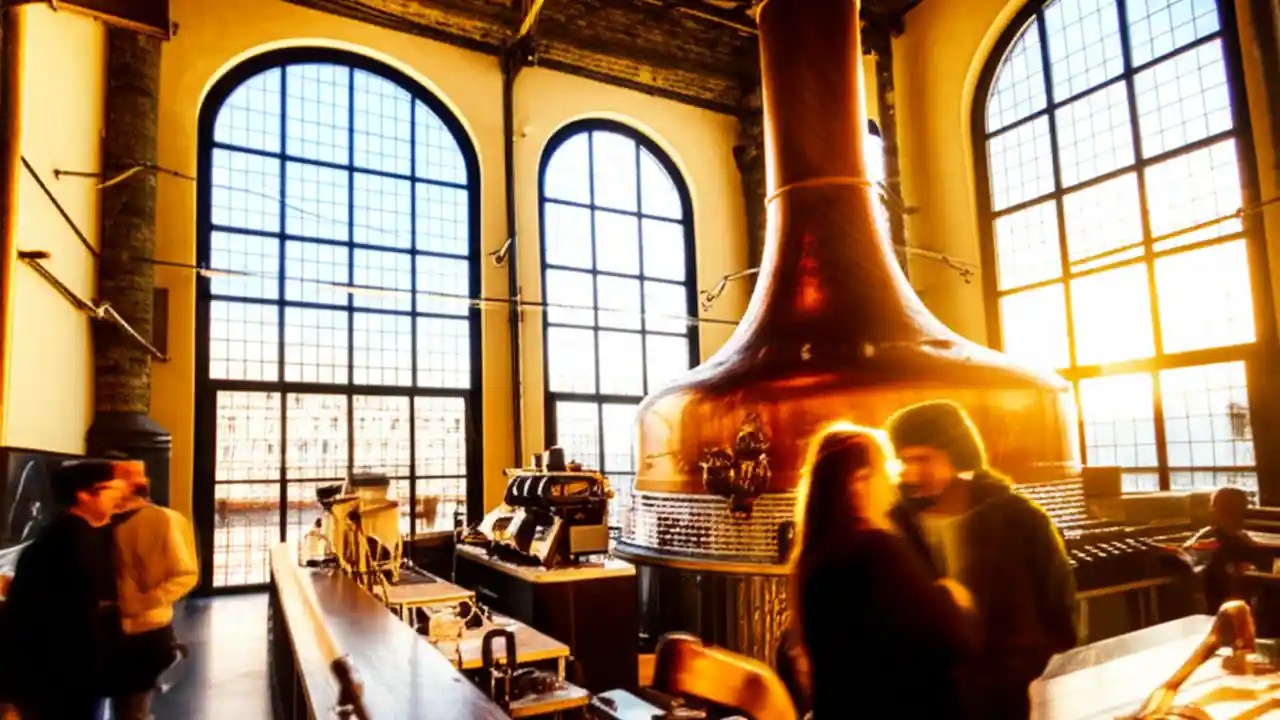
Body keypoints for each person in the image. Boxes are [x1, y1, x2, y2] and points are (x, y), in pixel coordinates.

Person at [886, 400, 1077, 720]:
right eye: (905, 460)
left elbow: (1057, 597)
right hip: (925, 697)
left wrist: (1032, 663)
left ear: (956, 452)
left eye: (925, 459)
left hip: (1007, 696)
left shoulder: (1018, 518)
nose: (914, 472)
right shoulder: (895, 524)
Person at [789, 425, 976, 718]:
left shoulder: (813, 558)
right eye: (884, 471)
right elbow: (953, 639)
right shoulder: (877, 552)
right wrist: (950, 596)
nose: (891, 487)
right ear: (858, 481)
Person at [2, 459, 126, 719]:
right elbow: (27, 615)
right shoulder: (61, 543)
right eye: (110, 488)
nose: (121, 493)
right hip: (62, 674)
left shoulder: (93, 535)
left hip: (84, 669)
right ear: (84, 495)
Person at [110, 460, 199, 720]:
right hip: (110, 629)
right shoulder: (104, 522)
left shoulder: (163, 520)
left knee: (133, 707)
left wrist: (141, 602)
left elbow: (185, 574)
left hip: (145, 630)